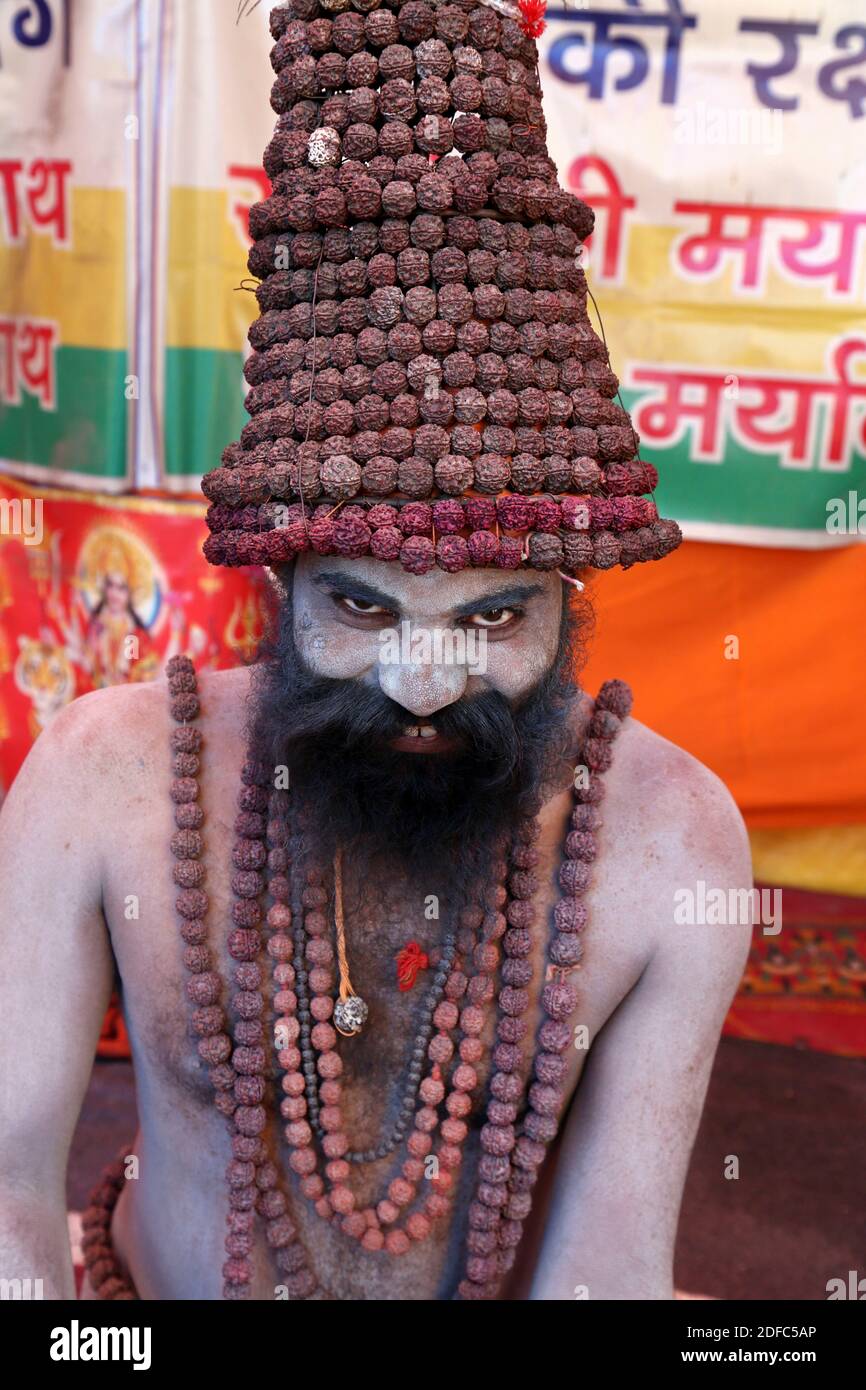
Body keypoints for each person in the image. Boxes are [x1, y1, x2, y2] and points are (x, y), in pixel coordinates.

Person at [0, 0, 752, 1301]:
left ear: (571, 597)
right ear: (279, 580)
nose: (421, 677)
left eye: (491, 617)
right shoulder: (105, 780)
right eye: (358, 609)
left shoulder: (671, 840)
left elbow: (607, 1273)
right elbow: (6, 1187)